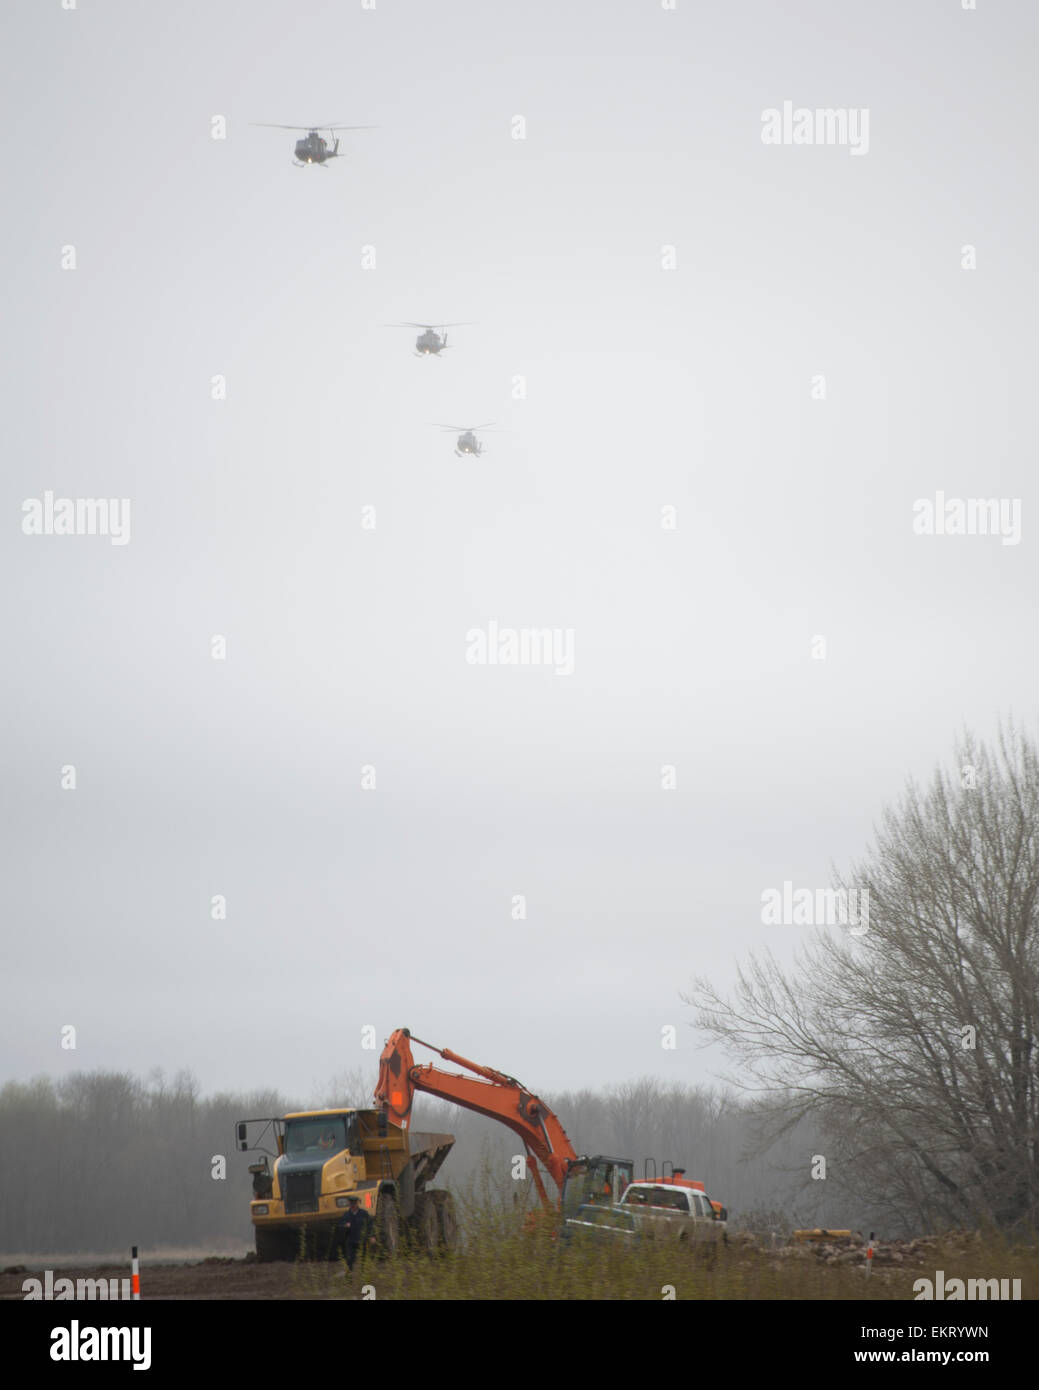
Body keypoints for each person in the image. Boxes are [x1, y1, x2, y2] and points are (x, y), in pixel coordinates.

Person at [337, 1196, 372, 1272]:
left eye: (354, 1203)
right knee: (349, 1259)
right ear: (349, 1204)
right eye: (351, 1203)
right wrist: (345, 1226)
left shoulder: (364, 1213)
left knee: (364, 1259)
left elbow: (370, 1225)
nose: (353, 1204)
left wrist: (372, 1236)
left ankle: (364, 1274)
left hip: (361, 1239)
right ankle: (349, 1277)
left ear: (357, 1203)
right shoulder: (346, 1215)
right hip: (350, 1241)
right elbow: (340, 1225)